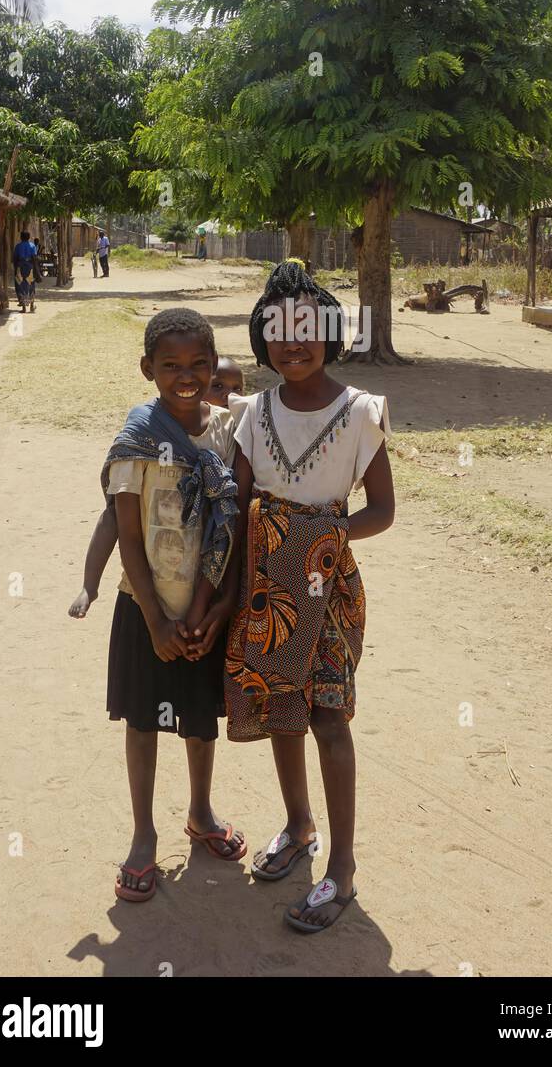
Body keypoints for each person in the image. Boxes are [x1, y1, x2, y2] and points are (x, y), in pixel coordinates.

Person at [225, 261, 394, 933]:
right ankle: (298, 826)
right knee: (281, 711)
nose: (293, 343)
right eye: (278, 330)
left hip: (325, 590)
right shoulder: (251, 412)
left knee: (328, 717)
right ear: (263, 338)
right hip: (266, 590)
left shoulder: (359, 413)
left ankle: (342, 870)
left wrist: (322, 537)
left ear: (330, 332)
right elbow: (236, 503)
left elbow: (381, 510)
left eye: (307, 328)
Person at [71, 307, 246, 903]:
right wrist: (154, 620)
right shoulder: (136, 438)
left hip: (203, 615)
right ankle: (143, 835)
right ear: (148, 369)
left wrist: (214, 610)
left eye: (200, 363)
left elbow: (234, 523)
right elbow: (126, 530)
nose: (187, 375)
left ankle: (200, 812)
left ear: (214, 364)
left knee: (200, 724)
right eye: (170, 365)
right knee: (144, 723)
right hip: (143, 610)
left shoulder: (225, 430)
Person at [69, 357, 245, 616]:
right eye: (218, 387)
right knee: (113, 515)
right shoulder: (147, 425)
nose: (228, 395)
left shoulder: (232, 429)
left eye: (237, 388)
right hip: (144, 593)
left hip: (204, 583)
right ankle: (89, 586)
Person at [12, 229, 38, 313]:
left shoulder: (18, 246)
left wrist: (15, 268)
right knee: (31, 284)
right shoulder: (33, 246)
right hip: (30, 267)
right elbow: (34, 258)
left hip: (20, 266)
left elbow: (15, 258)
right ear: (29, 237)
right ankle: (31, 305)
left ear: (21, 237)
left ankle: (23, 307)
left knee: (20, 285)